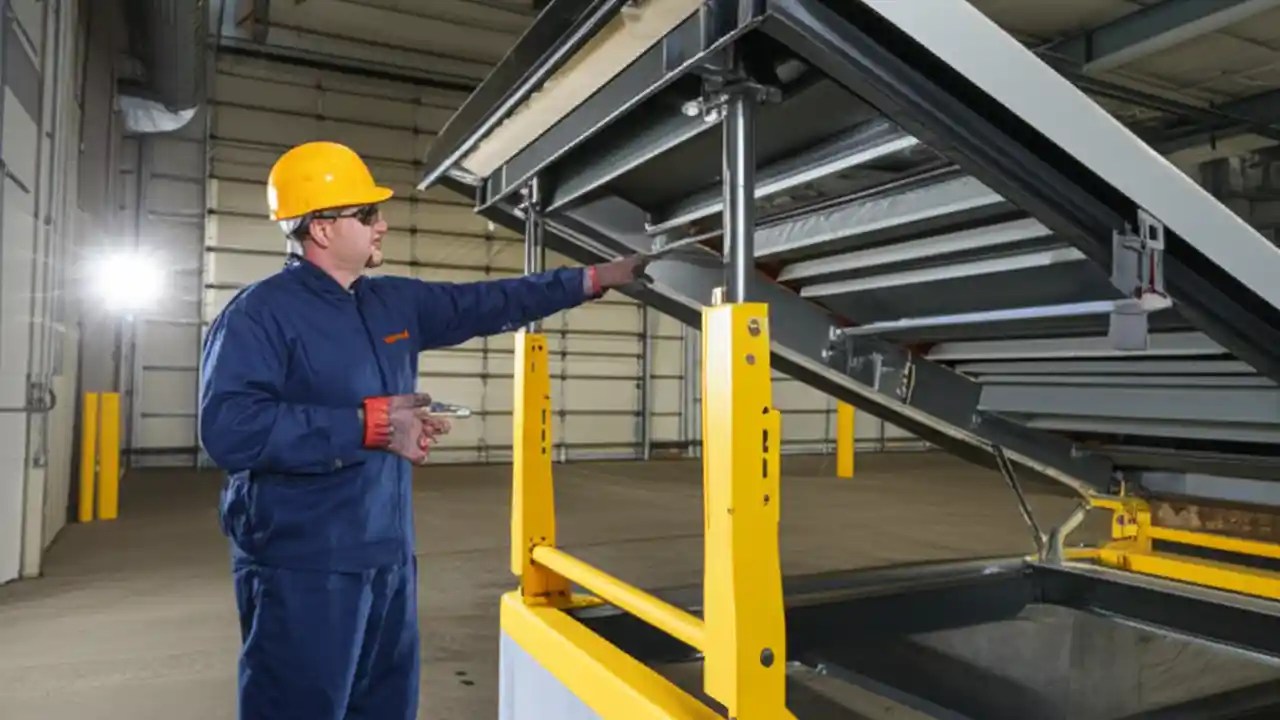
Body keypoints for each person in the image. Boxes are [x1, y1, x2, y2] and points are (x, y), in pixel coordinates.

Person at [197, 140, 646, 720]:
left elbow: (486, 301)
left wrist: (590, 280)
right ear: (322, 229)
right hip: (302, 560)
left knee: (384, 706)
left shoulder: (388, 302)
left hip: (386, 554)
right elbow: (230, 428)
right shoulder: (260, 315)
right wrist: (369, 424)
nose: (382, 225)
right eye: (366, 214)